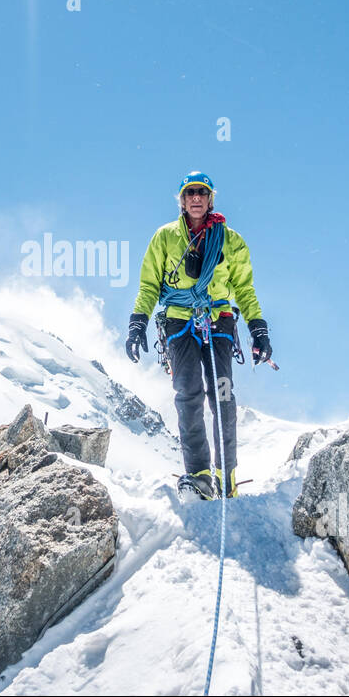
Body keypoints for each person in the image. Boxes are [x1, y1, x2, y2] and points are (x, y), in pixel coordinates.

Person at [125, 171, 272, 499]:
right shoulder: (164, 238)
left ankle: (226, 475)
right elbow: (149, 285)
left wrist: (258, 330)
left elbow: (244, 289)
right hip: (179, 323)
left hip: (218, 321)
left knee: (222, 396)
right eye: (189, 192)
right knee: (188, 394)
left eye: (201, 193)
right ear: (181, 199)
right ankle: (200, 475)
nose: (195, 198)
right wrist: (137, 324)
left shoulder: (230, 240)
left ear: (210, 199)